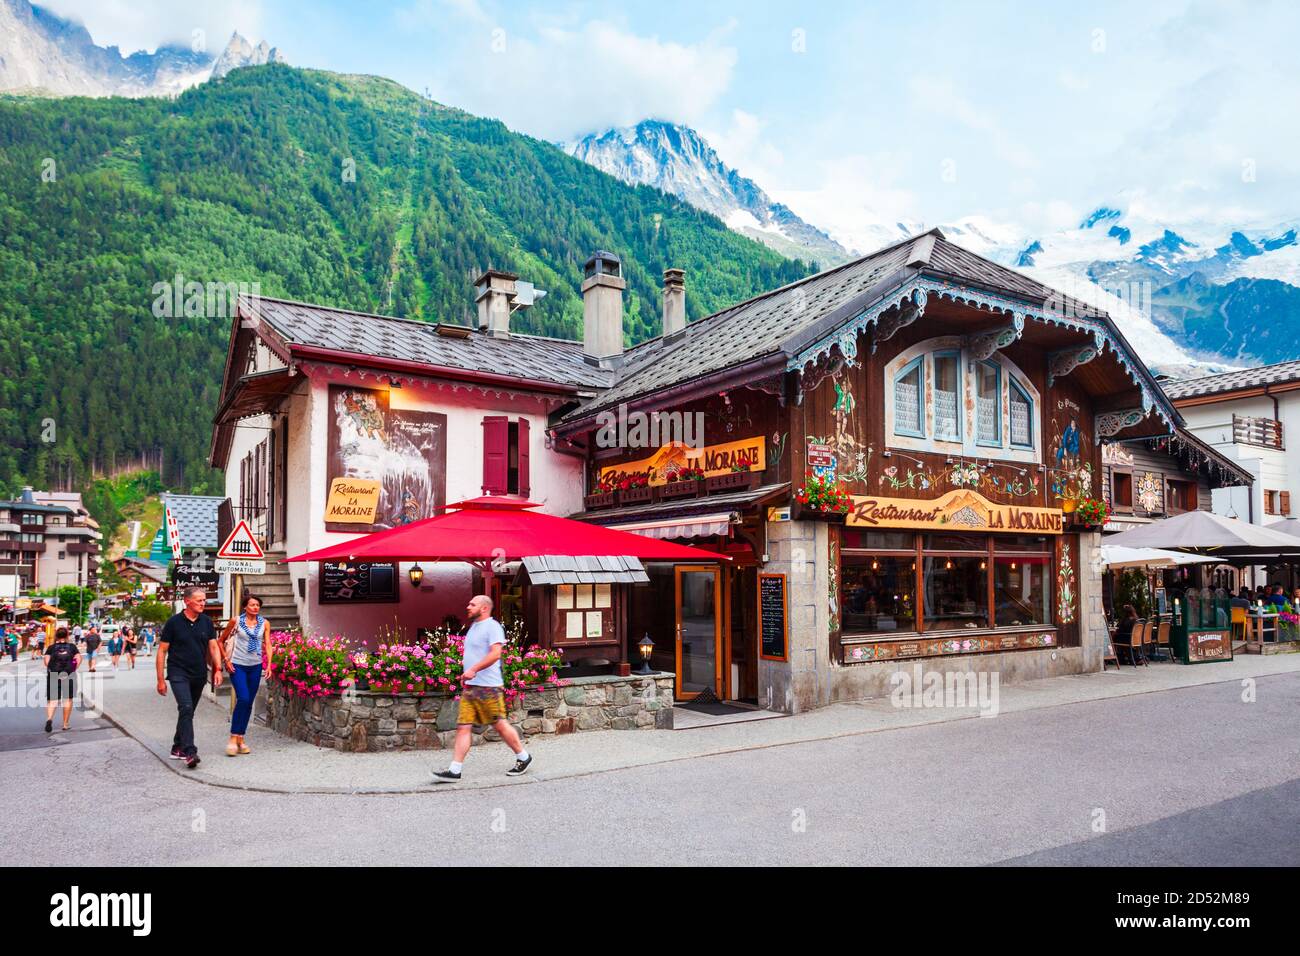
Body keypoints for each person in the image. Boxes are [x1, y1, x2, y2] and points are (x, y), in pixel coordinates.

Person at [432, 594, 531, 783]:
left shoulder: (492, 627)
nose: (468, 606)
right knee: (463, 727)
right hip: (472, 686)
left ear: (484, 608)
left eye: (472, 604)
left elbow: (496, 654)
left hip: (488, 687)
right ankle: (455, 770)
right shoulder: (474, 628)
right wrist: (466, 675)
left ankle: (523, 757)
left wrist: (473, 670)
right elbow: (474, 655)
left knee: (500, 725)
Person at [156, 586, 223, 770]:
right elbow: (162, 651)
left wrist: (217, 669)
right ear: (187, 601)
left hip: (199, 673)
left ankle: (177, 746)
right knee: (185, 707)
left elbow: (214, 647)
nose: (203, 603)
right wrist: (160, 679)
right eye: (199, 600)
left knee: (188, 711)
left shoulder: (207, 622)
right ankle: (189, 751)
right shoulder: (173, 623)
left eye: (204, 600)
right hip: (178, 672)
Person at [220, 593, 269, 757]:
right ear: (245, 606)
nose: (255, 607)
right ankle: (233, 738)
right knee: (244, 698)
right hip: (237, 665)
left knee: (249, 703)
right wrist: (226, 660)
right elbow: (221, 640)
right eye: (252, 605)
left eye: (258, 605)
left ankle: (241, 739)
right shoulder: (236, 621)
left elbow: (267, 644)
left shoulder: (264, 623)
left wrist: (268, 664)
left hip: (255, 665)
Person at [42, 626, 80, 733]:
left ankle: (49, 719)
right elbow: (78, 659)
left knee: (52, 700)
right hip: (68, 675)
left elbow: (46, 662)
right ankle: (65, 724)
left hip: (54, 675)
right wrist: (72, 669)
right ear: (67, 635)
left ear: (56, 636)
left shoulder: (51, 648)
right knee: (67, 699)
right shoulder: (72, 647)